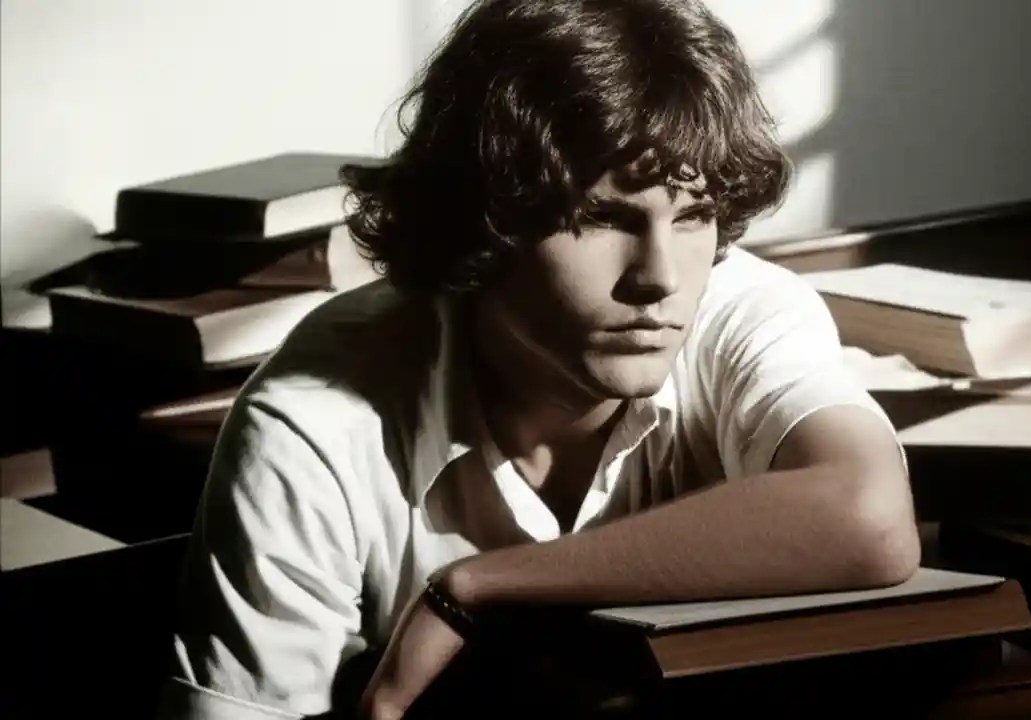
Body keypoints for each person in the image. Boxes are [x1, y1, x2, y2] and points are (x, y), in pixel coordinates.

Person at [160, 0, 919, 718]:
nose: (661, 277)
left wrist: (473, 590)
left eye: (693, 217)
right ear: (487, 224)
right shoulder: (311, 419)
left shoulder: (742, 308)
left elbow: (870, 516)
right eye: (599, 217)